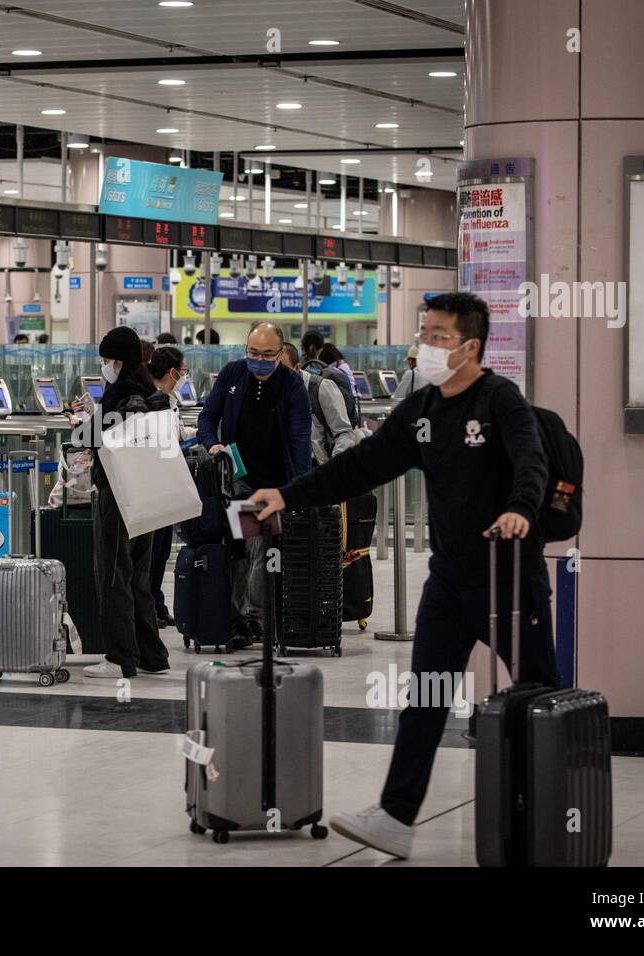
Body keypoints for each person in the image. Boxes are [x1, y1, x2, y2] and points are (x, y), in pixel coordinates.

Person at [248, 292, 555, 860]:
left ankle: (558, 811)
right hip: (448, 585)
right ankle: (395, 816)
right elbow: (358, 466)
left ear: (471, 347)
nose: (425, 345)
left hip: (510, 577)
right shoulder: (422, 411)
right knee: (426, 699)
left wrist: (521, 509)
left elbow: (532, 462)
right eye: (425, 333)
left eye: (439, 337)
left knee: (540, 696)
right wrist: (287, 496)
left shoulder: (500, 402)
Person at [197, 321, 311, 649]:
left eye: (267, 354)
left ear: (280, 354)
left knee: (259, 548)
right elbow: (208, 417)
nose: (259, 359)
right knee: (240, 549)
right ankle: (242, 619)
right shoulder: (233, 374)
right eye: (253, 352)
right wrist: (212, 444)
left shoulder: (292, 386)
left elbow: (301, 439)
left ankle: (255, 617)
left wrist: (297, 489)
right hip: (238, 480)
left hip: (274, 485)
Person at [82, 326, 171, 679]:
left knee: (114, 576)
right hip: (145, 495)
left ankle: (119, 658)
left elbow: (90, 436)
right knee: (138, 578)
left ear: (118, 361)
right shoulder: (150, 391)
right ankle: (152, 655)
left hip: (117, 496)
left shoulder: (121, 395)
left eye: (106, 359)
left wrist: (82, 422)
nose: (104, 365)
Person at [147, 345, 195, 628]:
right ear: (172, 372)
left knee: (162, 551)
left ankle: (156, 602)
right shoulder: (152, 401)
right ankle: (149, 606)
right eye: (183, 370)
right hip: (154, 486)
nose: (185, 375)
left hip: (166, 484)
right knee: (152, 553)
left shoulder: (168, 400)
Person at [284, 342, 364, 463]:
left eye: (283, 370)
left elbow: (344, 434)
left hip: (318, 467)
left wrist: (331, 472)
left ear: (297, 368)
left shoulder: (321, 387)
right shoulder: (272, 390)